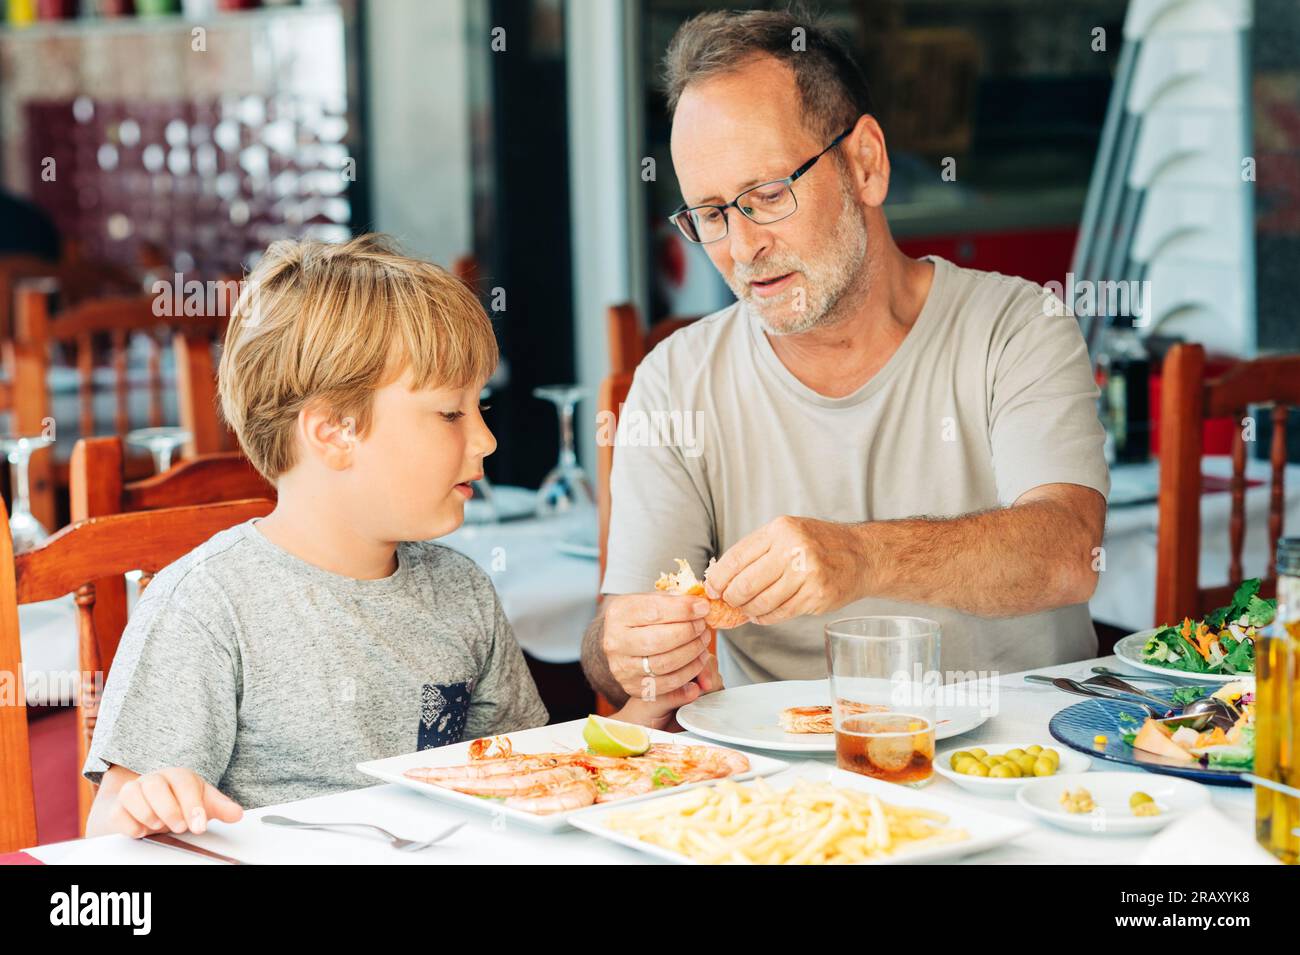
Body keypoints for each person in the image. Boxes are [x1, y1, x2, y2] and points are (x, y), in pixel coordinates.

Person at [583, 9, 1109, 707]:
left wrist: (861, 556)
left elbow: (1069, 553)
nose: (741, 249)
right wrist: (623, 647)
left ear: (865, 163)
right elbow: (617, 648)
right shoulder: (675, 382)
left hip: (1027, 767)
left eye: (767, 195)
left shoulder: (1016, 326)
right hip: (791, 789)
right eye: (710, 214)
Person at [84, 234, 681, 839]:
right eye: (451, 414)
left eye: (481, 410)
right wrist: (143, 808)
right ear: (333, 433)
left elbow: (530, 782)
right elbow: (109, 833)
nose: (485, 440)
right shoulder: (205, 607)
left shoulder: (463, 590)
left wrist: (645, 714)